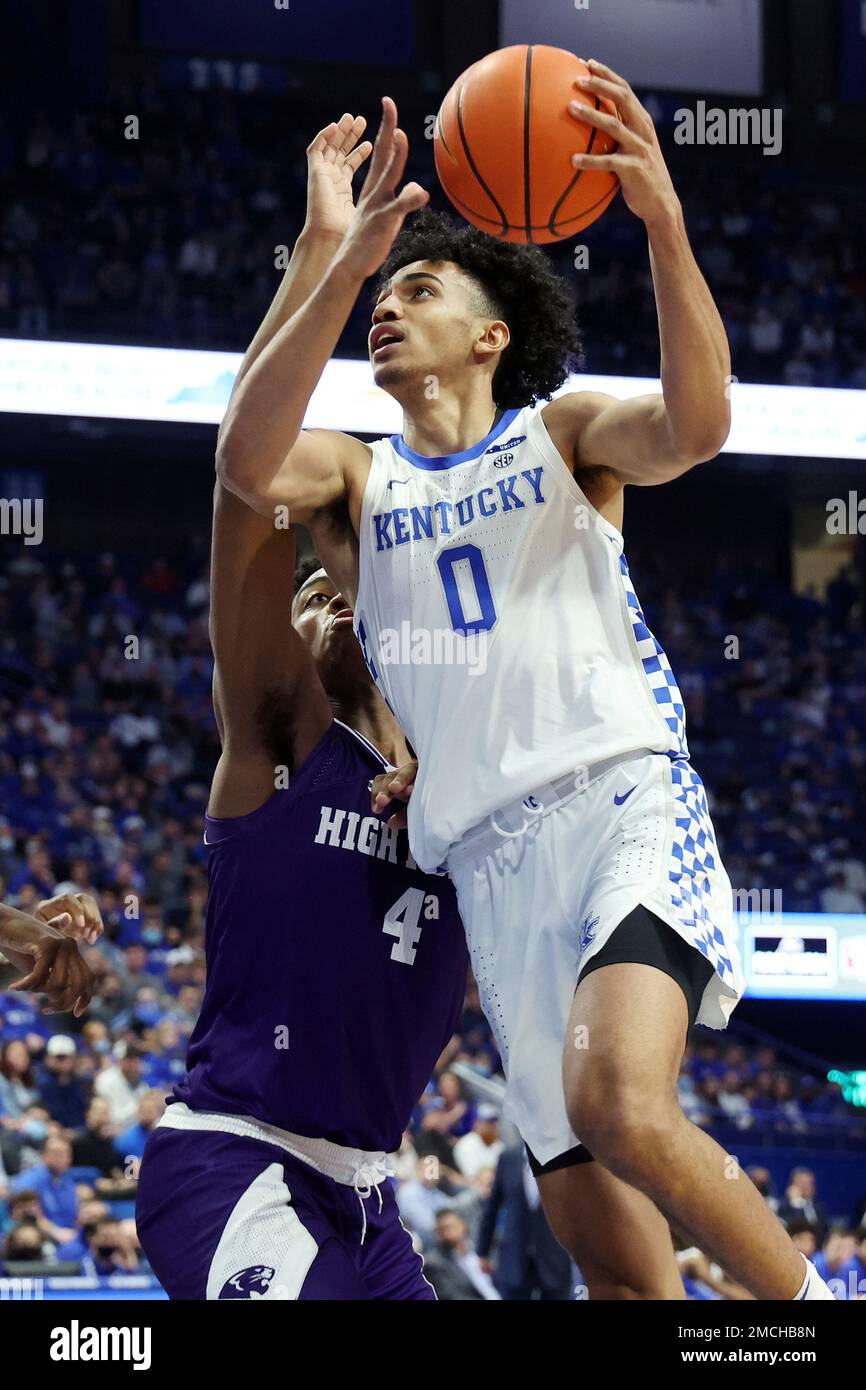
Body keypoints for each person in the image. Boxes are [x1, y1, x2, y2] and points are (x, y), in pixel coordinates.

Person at [216, 79, 833, 1300]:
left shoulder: (565, 438)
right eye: (382, 300)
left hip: (618, 804)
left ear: (490, 334)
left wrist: (659, 217)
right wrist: (334, 259)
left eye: (419, 291)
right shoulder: (353, 479)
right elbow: (242, 462)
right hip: (489, 870)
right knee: (602, 1244)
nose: (389, 312)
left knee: (618, 1101)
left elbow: (701, 424)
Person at [135, 113, 469, 1301]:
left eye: (339, 582)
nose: (315, 595)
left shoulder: (474, 790)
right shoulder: (278, 735)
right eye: (306, 587)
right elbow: (248, 482)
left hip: (367, 1194)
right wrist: (323, 261)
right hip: (230, 1161)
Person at [476, 1144, 573, 1300]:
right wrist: (482, 1251)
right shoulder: (508, 1158)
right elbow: (492, 1207)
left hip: (554, 1253)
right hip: (515, 1253)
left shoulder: (564, 1156)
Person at [422, 1208, 500, 1301]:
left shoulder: (483, 1247)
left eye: (450, 1227)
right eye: (441, 1230)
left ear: (463, 1225)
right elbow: (452, 1297)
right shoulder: (435, 1264)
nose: (447, 1233)